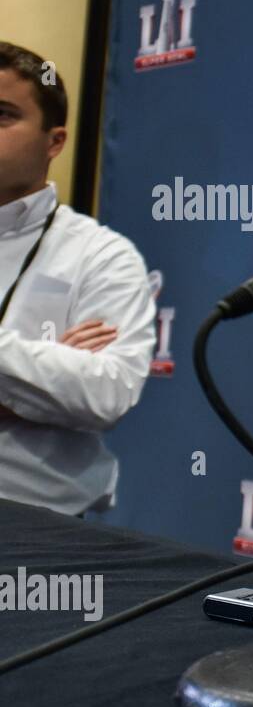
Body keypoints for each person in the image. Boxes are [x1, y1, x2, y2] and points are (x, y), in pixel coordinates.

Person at [0, 41, 155, 516]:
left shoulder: (102, 256)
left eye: (3, 115)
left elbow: (107, 392)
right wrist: (44, 371)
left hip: (39, 531)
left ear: (55, 141)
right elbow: (73, 385)